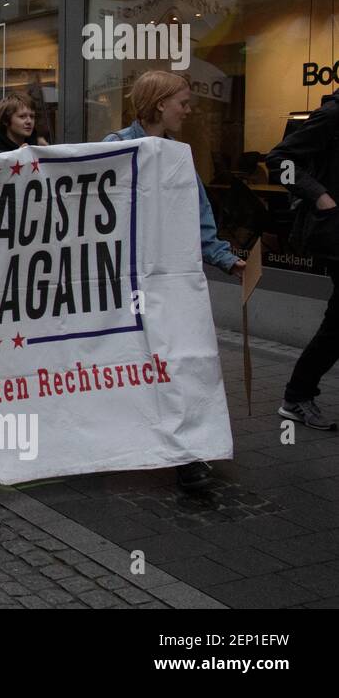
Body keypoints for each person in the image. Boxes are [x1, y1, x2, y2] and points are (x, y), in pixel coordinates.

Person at [102, 70, 248, 489]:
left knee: (179, 361)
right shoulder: (114, 148)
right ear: (159, 103)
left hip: (170, 283)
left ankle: (188, 455)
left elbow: (199, 216)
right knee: (132, 362)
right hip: (126, 284)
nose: (189, 109)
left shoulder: (179, 155)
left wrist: (224, 258)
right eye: (182, 102)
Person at [263, 94, 339, 432]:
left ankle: (298, 394)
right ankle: (296, 396)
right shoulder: (333, 114)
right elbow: (279, 159)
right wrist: (322, 198)